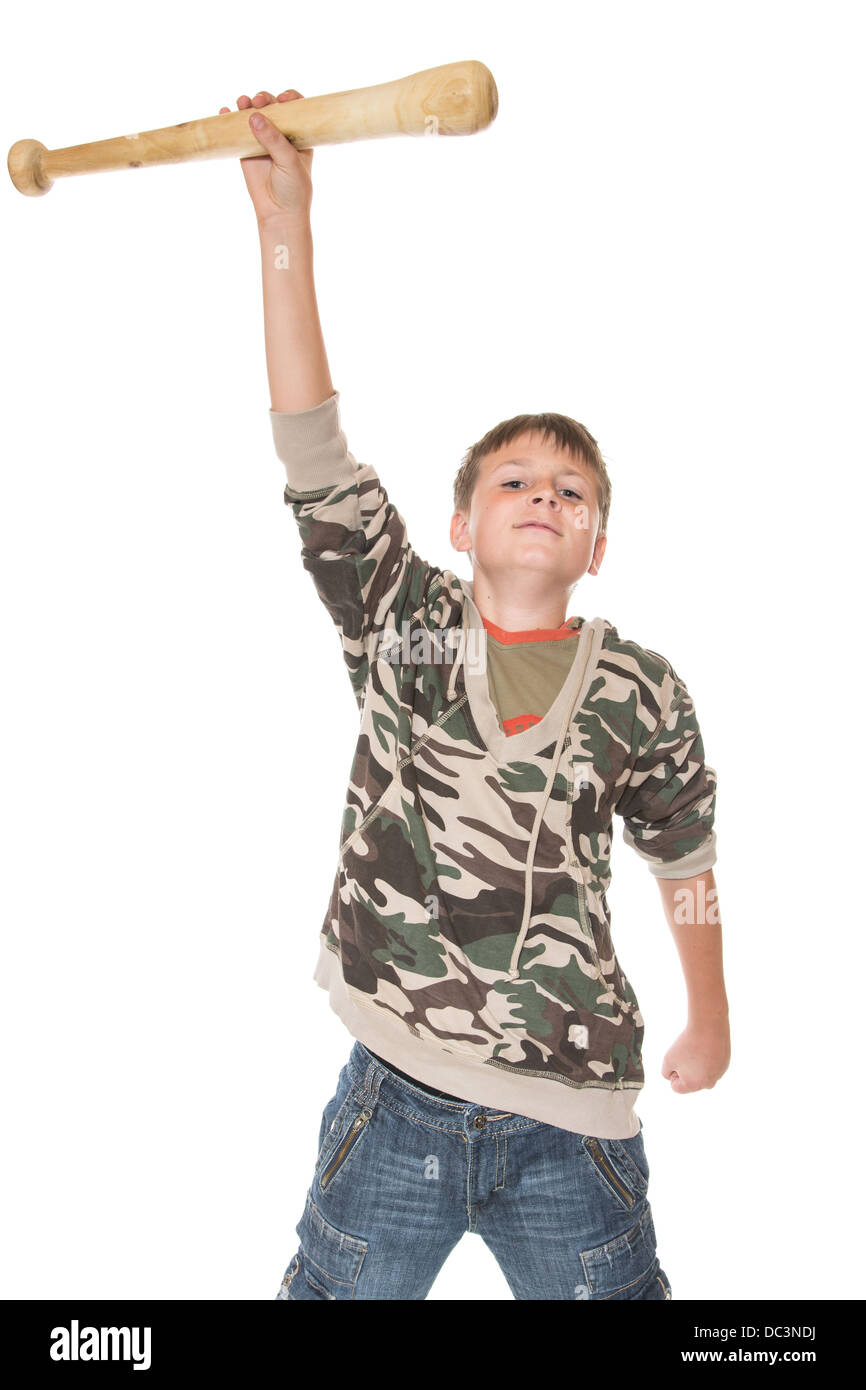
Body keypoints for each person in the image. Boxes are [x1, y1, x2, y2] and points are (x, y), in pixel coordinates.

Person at [219, 87, 731, 1300]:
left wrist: (708, 1017)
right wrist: (283, 224)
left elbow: (685, 855)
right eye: (514, 479)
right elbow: (312, 447)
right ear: (460, 523)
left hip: (572, 1122)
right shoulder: (405, 621)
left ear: (594, 543)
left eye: (571, 491)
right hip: (393, 1102)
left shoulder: (640, 691)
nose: (544, 496)